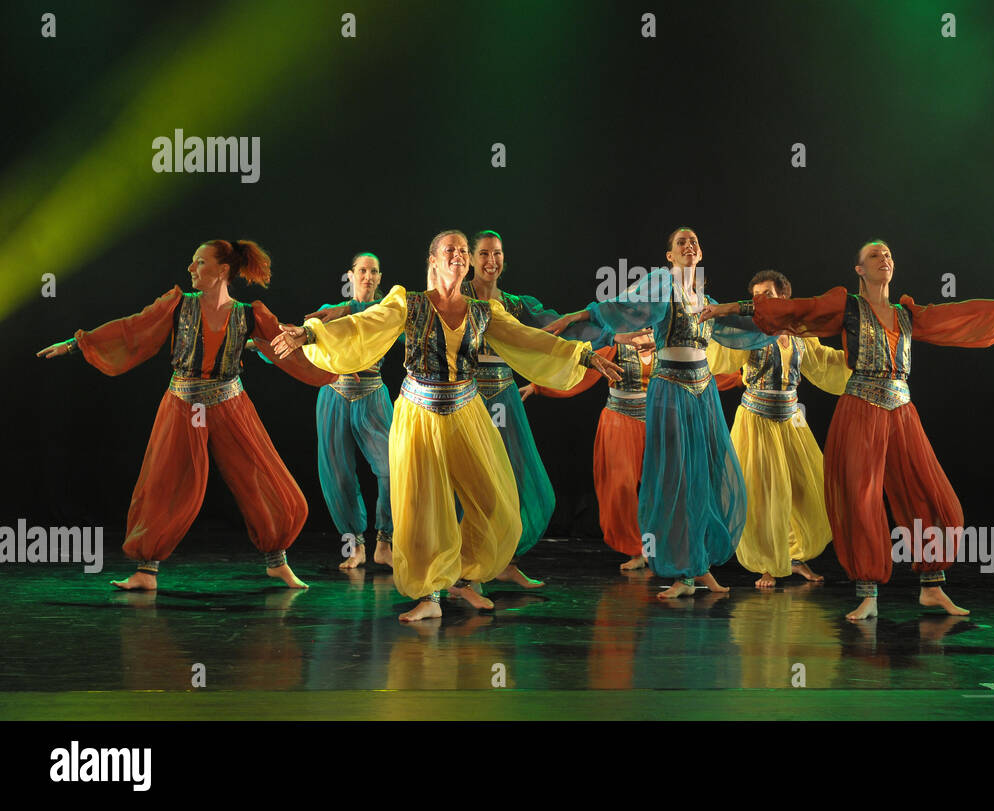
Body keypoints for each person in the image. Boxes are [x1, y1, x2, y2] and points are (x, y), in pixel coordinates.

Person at [270, 230, 622, 621]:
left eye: (460, 250)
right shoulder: (409, 302)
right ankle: (430, 597)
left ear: (467, 262)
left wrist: (584, 357)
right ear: (433, 261)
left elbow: (530, 339)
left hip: (466, 411)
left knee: (498, 505)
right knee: (426, 509)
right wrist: (310, 333)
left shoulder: (482, 312)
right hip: (418, 415)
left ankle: (464, 579)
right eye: (448, 250)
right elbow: (363, 325)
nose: (456, 255)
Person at [707, 239, 994, 620]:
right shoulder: (848, 308)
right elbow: (796, 309)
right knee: (861, 498)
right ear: (859, 270)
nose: (884, 258)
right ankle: (868, 593)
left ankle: (932, 588)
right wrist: (726, 309)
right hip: (860, 408)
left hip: (902, 409)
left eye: (888, 254)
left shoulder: (907, 315)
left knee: (933, 495)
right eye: (874, 255)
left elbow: (958, 317)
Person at [37, 239, 336, 590]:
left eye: (200, 263)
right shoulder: (179, 305)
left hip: (230, 403)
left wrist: (337, 365)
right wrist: (77, 344)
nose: (191, 269)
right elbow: (133, 327)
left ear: (222, 271)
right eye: (193, 263)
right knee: (165, 480)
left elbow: (289, 346)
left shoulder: (250, 314)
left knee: (262, 476)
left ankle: (277, 562)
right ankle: (146, 571)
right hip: (183, 403)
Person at [547, 227, 776, 598]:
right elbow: (618, 307)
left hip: (704, 393)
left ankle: (699, 567)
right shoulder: (660, 283)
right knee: (676, 478)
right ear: (669, 255)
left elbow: (746, 327)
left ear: (700, 255)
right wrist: (577, 316)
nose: (690, 245)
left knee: (706, 476)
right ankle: (683, 573)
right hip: (670, 389)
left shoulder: (705, 297)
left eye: (695, 241)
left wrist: (784, 315)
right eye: (681, 242)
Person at [710, 270, 849, 588]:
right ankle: (769, 566)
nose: (761, 302)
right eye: (756, 297)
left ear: (784, 298)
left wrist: (858, 363)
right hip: (756, 422)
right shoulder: (750, 332)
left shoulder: (800, 334)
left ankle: (794, 559)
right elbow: (724, 357)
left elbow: (823, 363)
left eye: (768, 295)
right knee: (766, 496)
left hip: (791, 420)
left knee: (804, 493)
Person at [460, 230, 572, 588]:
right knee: (475, 483)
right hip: (468, 399)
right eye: (484, 254)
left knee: (522, 482)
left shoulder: (517, 304)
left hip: (505, 398)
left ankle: (507, 561)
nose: (491, 261)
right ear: (471, 260)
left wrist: (603, 325)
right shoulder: (455, 299)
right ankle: (470, 569)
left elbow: (554, 327)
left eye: (497, 254)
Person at [299, 252, 396, 570]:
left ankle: (386, 542)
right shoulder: (330, 313)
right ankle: (354, 546)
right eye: (362, 270)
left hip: (373, 396)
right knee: (338, 475)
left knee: (393, 470)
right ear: (350, 275)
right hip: (334, 396)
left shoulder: (386, 313)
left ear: (380, 278)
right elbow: (306, 342)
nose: (368, 276)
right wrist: (268, 343)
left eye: (374, 271)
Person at [531, 337, 657, 571]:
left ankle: (657, 549)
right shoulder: (617, 343)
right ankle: (634, 549)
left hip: (657, 421)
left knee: (659, 488)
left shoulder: (663, 338)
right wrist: (539, 386)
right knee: (621, 486)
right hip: (620, 419)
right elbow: (581, 373)